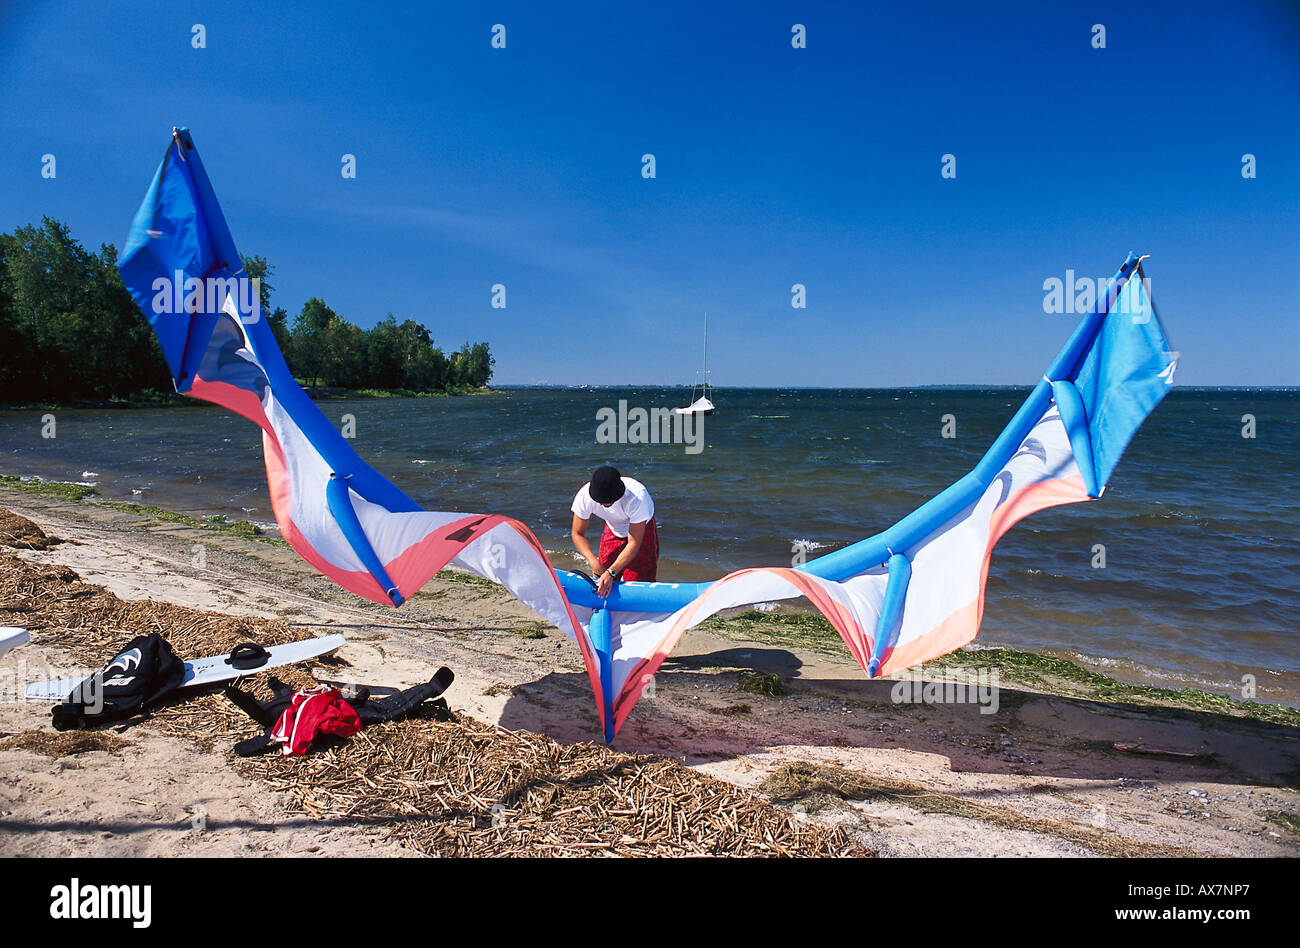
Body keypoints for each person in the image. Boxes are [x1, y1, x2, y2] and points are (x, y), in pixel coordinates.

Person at [570, 465, 659, 597]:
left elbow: (633, 543)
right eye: (601, 502)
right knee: (600, 575)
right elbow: (577, 534)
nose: (605, 505)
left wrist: (611, 571)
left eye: (609, 502)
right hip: (613, 528)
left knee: (636, 580)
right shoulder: (584, 496)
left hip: (641, 530)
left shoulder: (637, 498)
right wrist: (594, 562)